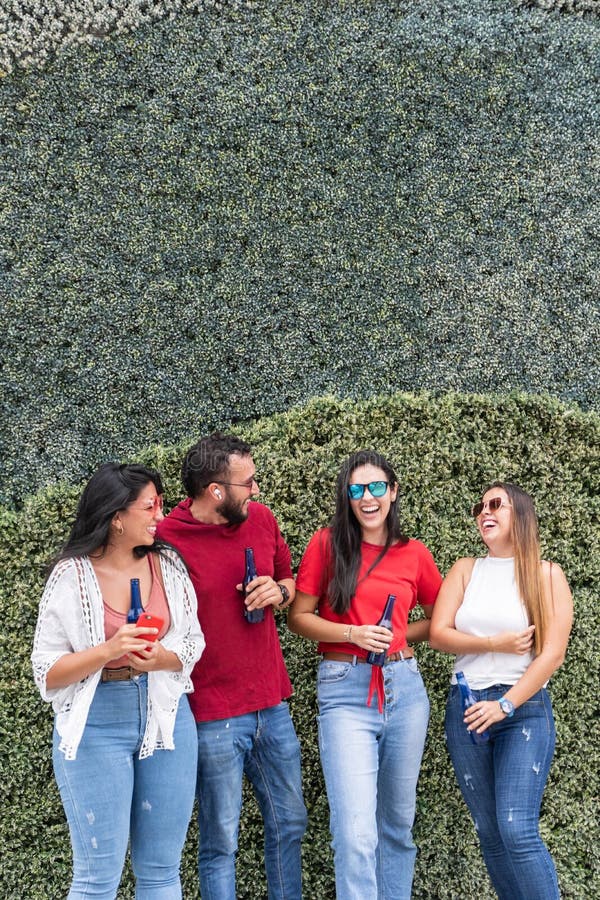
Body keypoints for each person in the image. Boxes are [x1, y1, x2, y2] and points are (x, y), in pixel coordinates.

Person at [31, 463, 205, 899]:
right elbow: (46, 670)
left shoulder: (168, 565)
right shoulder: (72, 575)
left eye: (161, 504)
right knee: (96, 878)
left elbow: (192, 642)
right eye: (150, 506)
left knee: (162, 872)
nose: (160, 515)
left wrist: (160, 658)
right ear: (116, 517)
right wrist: (109, 650)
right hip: (96, 722)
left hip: (166, 716)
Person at [156, 432, 307, 900]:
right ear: (216, 491)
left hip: (272, 704)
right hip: (212, 713)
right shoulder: (166, 539)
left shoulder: (261, 519)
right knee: (220, 841)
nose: (256, 489)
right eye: (248, 482)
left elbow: (290, 580)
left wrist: (279, 592)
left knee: (290, 822)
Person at [288, 449, 442, 900]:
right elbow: (299, 617)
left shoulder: (415, 554)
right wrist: (353, 634)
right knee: (355, 833)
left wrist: (395, 637)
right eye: (357, 489)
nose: (367, 497)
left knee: (397, 826)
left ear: (393, 492)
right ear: (347, 496)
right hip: (346, 689)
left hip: (405, 689)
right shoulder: (326, 544)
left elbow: (439, 622)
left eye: (376, 487)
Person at [429, 481, 573, 900]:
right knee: (490, 833)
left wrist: (505, 705)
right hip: (467, 707)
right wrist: (494, 644)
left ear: (520, 514)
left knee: (516, 828)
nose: (484, 512)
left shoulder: (547, 574)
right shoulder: (465, 569)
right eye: (480, 507)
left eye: (496, 504)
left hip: (522, 708)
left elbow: (552, 654)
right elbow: (439, 634)